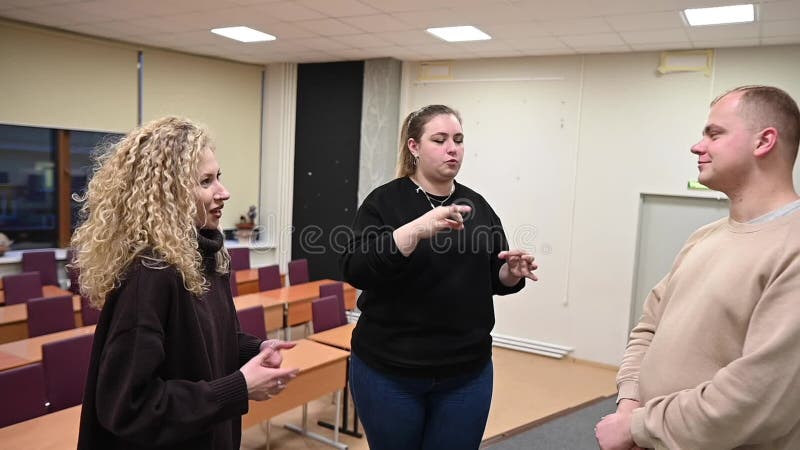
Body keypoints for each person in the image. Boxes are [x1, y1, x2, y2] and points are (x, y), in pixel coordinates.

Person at [72, 117, 299, 450]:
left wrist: (254, 350)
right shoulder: (149, 275)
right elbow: (129, 407)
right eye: (206, 181)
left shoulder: (203, 257)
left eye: (218, 177)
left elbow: (202, 342)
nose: (224, 192)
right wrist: (240, 387)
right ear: (166, 195)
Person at [596, 85, 800, 450]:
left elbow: (756, 398)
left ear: (764, 141)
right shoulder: (704, 237)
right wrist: (629, 404)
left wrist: (636, 427)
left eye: (714, 133)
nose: (697, 146)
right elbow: (648, 327)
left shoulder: (792, 247)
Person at [341, 104, 538, 450]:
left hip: (466, 373)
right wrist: (415, 231)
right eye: (440, 139)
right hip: (389, 372)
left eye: (459, 140)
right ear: (414, 147)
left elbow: (494, 275)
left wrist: (509, 272)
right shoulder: (384, 203)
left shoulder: (477, 206)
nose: (453, 148)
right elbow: (356, 268)